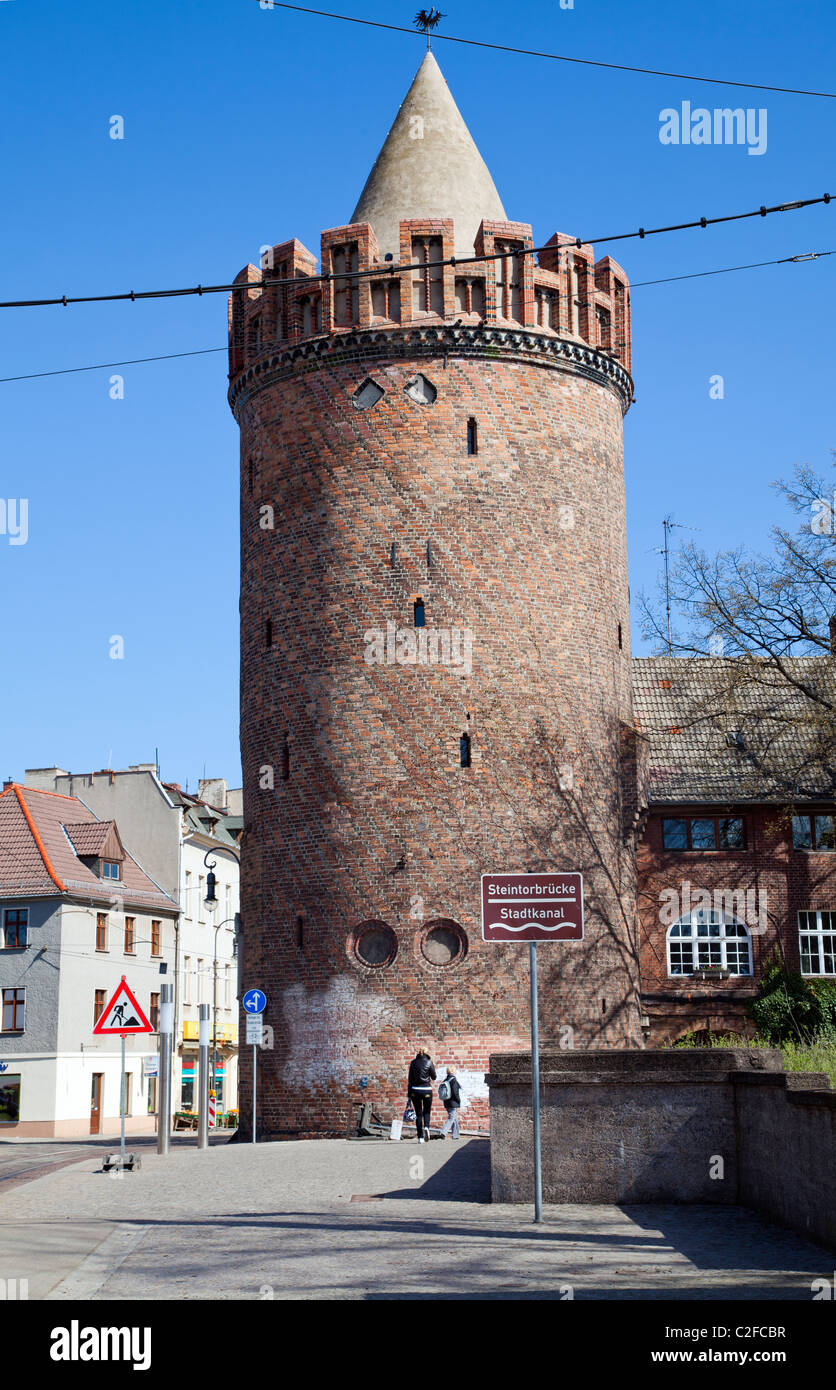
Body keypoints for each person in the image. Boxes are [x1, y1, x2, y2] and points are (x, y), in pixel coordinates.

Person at [407, 1046, 436, 1142]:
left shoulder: (413, 1063)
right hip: (427, 1089)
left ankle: (420, 1137)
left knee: (418, 1114)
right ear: (427, 1053)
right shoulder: (429, 1062)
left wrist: (409, 1094)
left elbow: (410, 1079)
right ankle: (426, 1127)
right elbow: (434, 1077)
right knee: (427, 1111)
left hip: (415, 1090)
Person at [440, 1067, 462, 1140]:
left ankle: (455, 1135)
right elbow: (455, 1093)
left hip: (446, 1101)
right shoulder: (453, 1080)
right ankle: (443, 1132)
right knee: (451, 1118)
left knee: (454, 1119)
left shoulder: (446, 1080)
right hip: (453, 1102)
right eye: (455, 1070)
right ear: (453, 1071)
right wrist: (458, 1100)